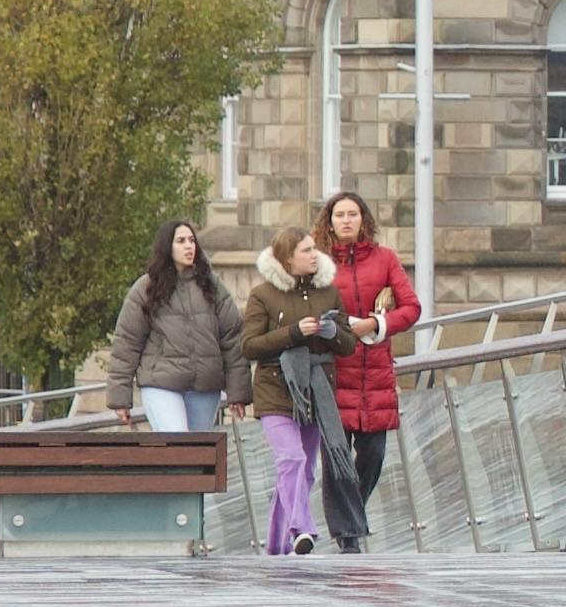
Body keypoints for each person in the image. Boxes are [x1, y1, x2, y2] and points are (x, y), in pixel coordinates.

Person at [315, 189, 416, 550]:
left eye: (352, 214)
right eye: (339, 215)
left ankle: (350, 518)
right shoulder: (318, 263)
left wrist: (375, 324)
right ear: (330, 221)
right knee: (336, 460)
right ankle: (348, 537)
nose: (346, 220)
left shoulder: (385, 259)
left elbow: (411, 307)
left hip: (374, 375)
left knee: (373, 455)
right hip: (332, 373)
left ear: (363, 220)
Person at [234, 230, 344, 556]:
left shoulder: (328, 292)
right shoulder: (263, 295)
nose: (314, 255)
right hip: (274, 390)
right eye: (306, 250)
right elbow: (249, 345)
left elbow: (348, 343)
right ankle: (302, 528)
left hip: (313, 392)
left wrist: (333, 331)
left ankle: (276, 545)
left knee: (303, 471)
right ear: (288, 259)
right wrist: (293, 333)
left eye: (314, 249)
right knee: (291, 459)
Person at [99, 220, 238, 432]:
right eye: (181, 241)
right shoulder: (146, 288)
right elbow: (127, 344)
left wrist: (238, 392)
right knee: (176, 443)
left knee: (198, 455)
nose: (189, 246)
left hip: (205, 385)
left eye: (192, 240)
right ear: (167, 246)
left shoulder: (212, 285)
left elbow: (232, 338)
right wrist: (120, 397)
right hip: (161, 384)